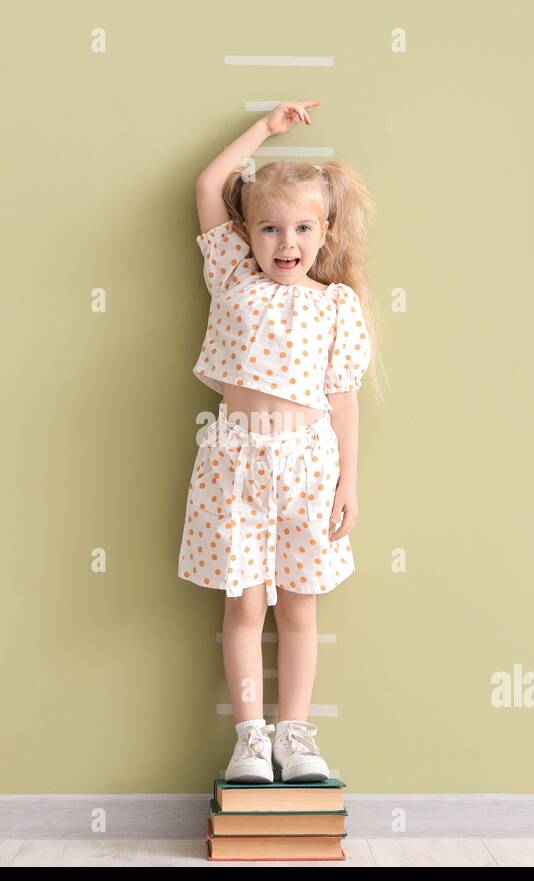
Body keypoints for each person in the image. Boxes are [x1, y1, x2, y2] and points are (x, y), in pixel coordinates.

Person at [178, 100, 378, 784]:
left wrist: (349, 482)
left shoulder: (335, 305)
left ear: (324, 233)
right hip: (236, 461)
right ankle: (250, 741)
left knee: (298, 605)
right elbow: (209, 185)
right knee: (243, 604)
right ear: (247, 234)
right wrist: (264, 129)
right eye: (269, 227)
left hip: (309, 466)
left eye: (301, 228)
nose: (285, 242)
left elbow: (342, 397)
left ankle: (295, 735)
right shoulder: (231, 276)